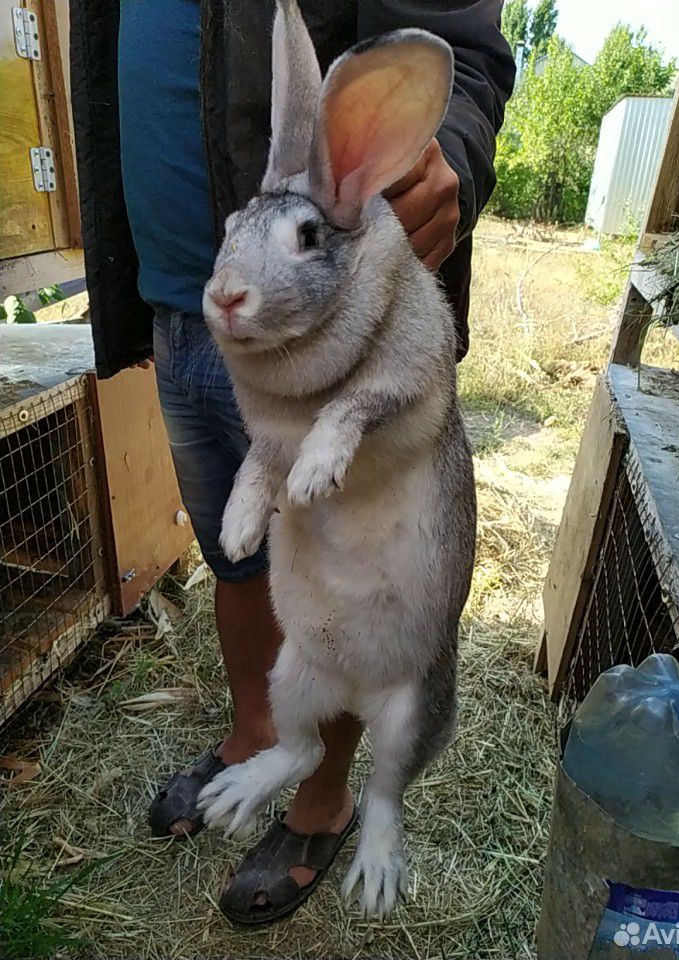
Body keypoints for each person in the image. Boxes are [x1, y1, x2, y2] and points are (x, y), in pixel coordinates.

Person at [70, 0, 515, 925]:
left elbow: (457, 49)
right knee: (236, 549)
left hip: (322, 324)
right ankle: (254, 737)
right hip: (179, 298)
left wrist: (452, 160)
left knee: (350, 574)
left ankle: (325, 801)